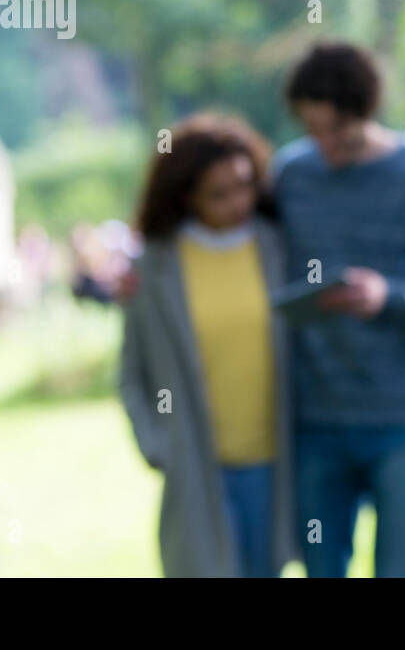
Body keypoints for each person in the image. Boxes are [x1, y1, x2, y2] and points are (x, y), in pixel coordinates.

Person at [272, 41, 405, 577]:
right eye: (314, 131)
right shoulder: (292, 175)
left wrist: (389, 297)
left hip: (398, 416)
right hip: (314, 414)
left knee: (395, 569)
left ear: (366, 112)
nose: (327, 145)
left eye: (338, 131)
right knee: (321, 565)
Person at [117, 112, 298, 577]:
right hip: (195, 466)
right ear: (186, 195)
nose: (239, 201)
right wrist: (159, 447)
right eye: (219, 194)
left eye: (245, 184)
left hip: (274, 463)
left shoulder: (280, 247)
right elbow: (132, 372)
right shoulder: (154, 269)